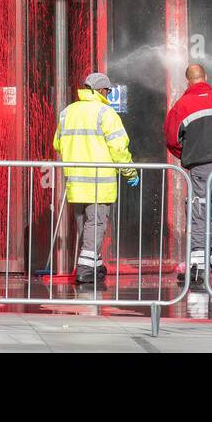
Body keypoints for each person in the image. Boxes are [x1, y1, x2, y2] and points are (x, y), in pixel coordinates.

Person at [53, 72, 138, 286]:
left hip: (75, 181)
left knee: (86, 225)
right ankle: (85, 269)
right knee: (97, 223)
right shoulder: (105, 113)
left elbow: (57, 144)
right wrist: (130, 172)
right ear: (100, 90)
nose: (108, 95)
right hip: (99, 182)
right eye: (107, 91)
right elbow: (118, 148)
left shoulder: (67, 112)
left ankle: (95, 263)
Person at [164, 64, 212, 287]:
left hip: (200, 169)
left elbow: (171, 139)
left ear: (188, 81)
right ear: (206, 77)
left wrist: (187, 155)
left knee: (198, 215)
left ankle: (197, 269)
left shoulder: (182, 106)